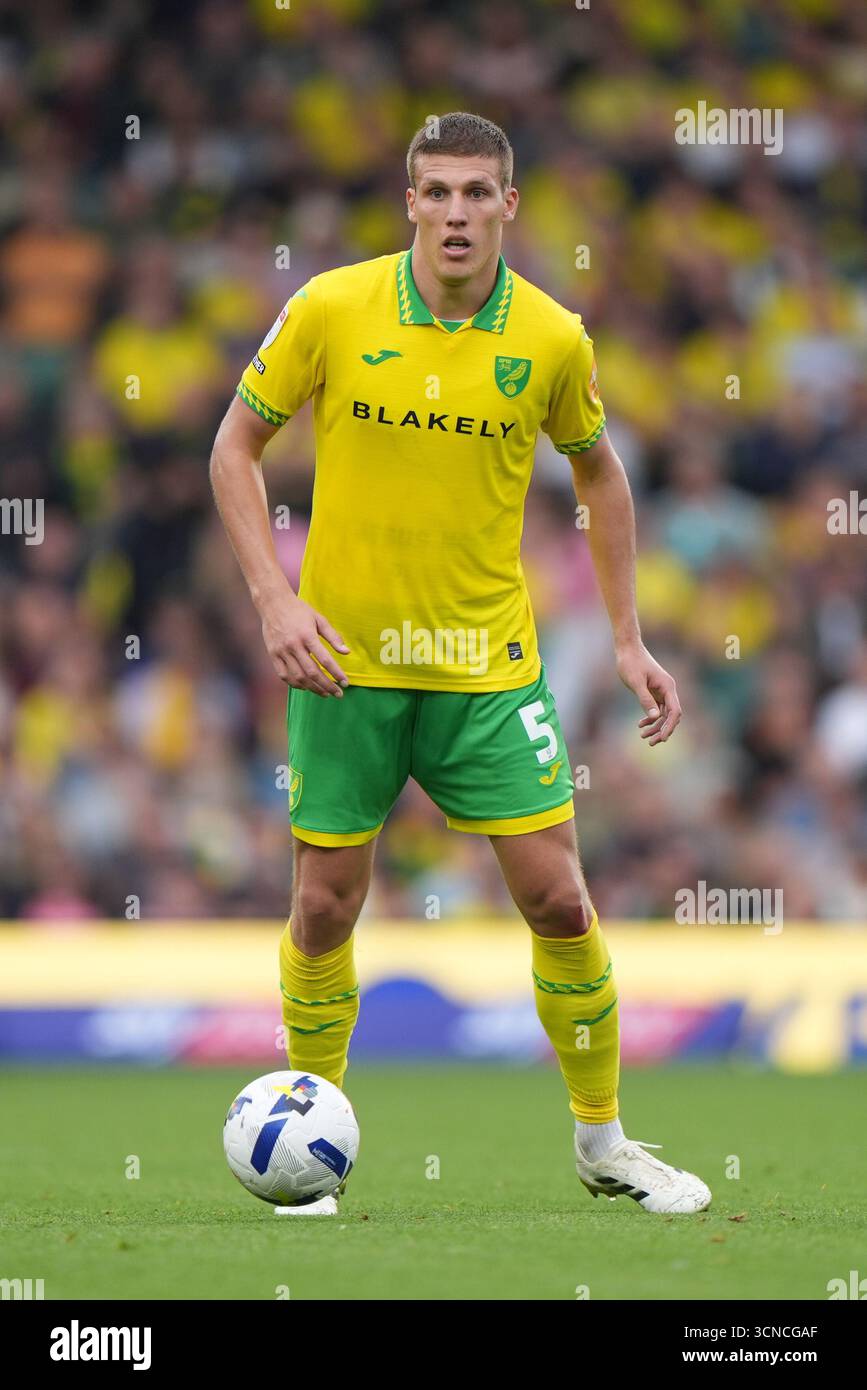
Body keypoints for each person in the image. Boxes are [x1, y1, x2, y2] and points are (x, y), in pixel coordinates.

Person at [210, 111, 711, 1216]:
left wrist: (627, 639)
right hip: (345, 664)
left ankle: (603, 1142)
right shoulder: (332, 308)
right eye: (435, 191)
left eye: (477, 193)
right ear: (409, 203)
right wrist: (274, 600)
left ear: (509, 206)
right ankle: (311, 1144)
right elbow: (233, 446)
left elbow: (604, 478)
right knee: (326, 910)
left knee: (563, 902)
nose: (454, 213)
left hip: (487, 668)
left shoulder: (552, 337)